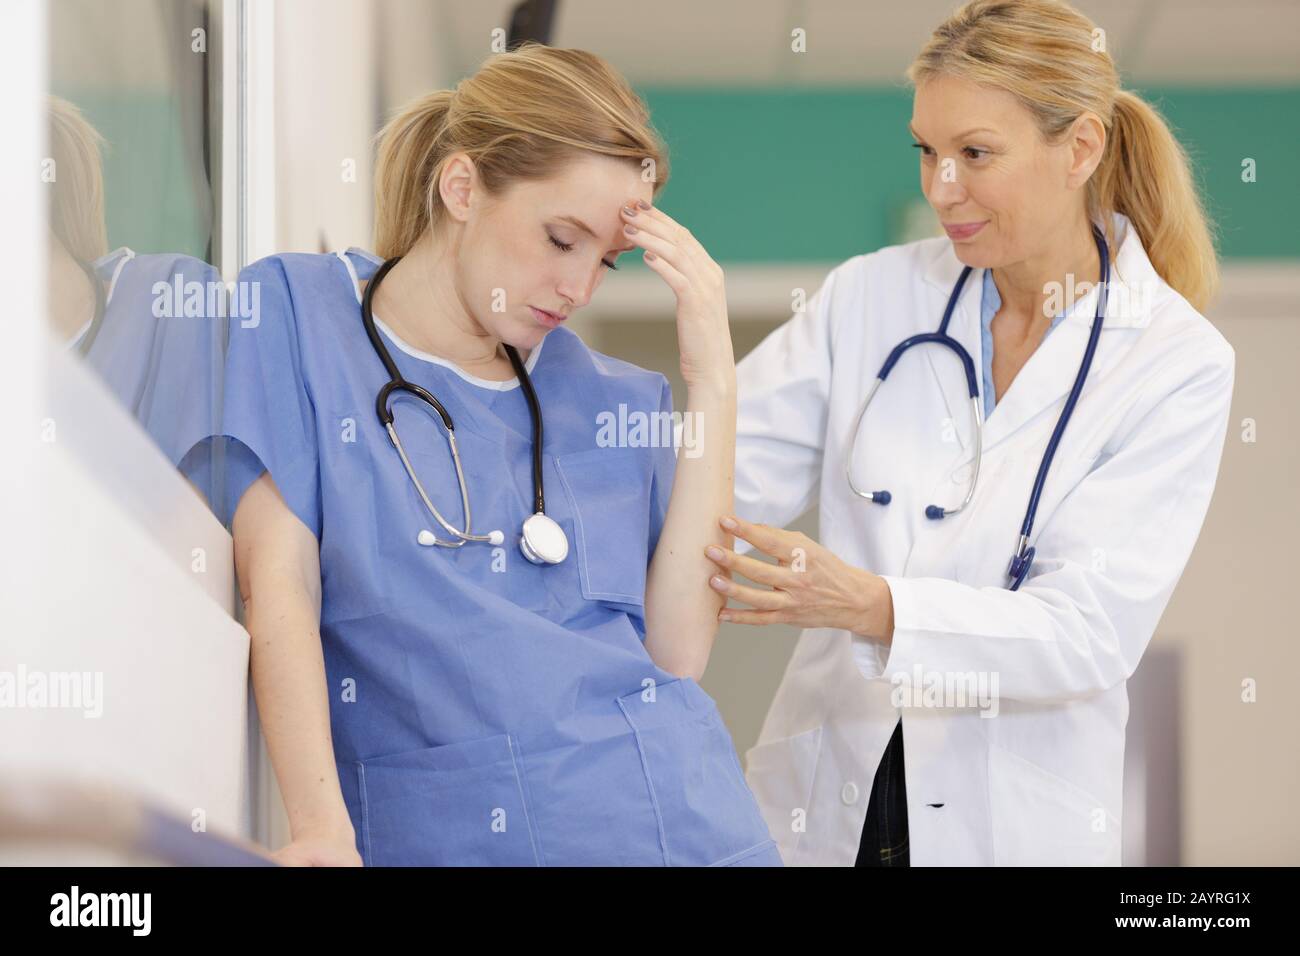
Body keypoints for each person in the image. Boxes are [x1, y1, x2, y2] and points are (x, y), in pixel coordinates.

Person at [184, 43, 780, 866]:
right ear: (461, 187)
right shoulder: (295, 312)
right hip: (442, 834)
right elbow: (277, 579)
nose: (578, 289)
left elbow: (678, 652)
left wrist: (712, 375)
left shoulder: (616, 398)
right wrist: (319, 828)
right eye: (560, 238)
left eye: (605, 260)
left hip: (682, 824)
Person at [705, 0, 1234, 866]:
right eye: (927, 150)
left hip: (1012, 817)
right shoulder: (872, 298)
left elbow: (1088, 632)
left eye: (975, 154)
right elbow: (716, 484)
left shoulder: (1176, 361)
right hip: (835, 785)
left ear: (1081, 149)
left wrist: (873, 605)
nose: (940, 186)